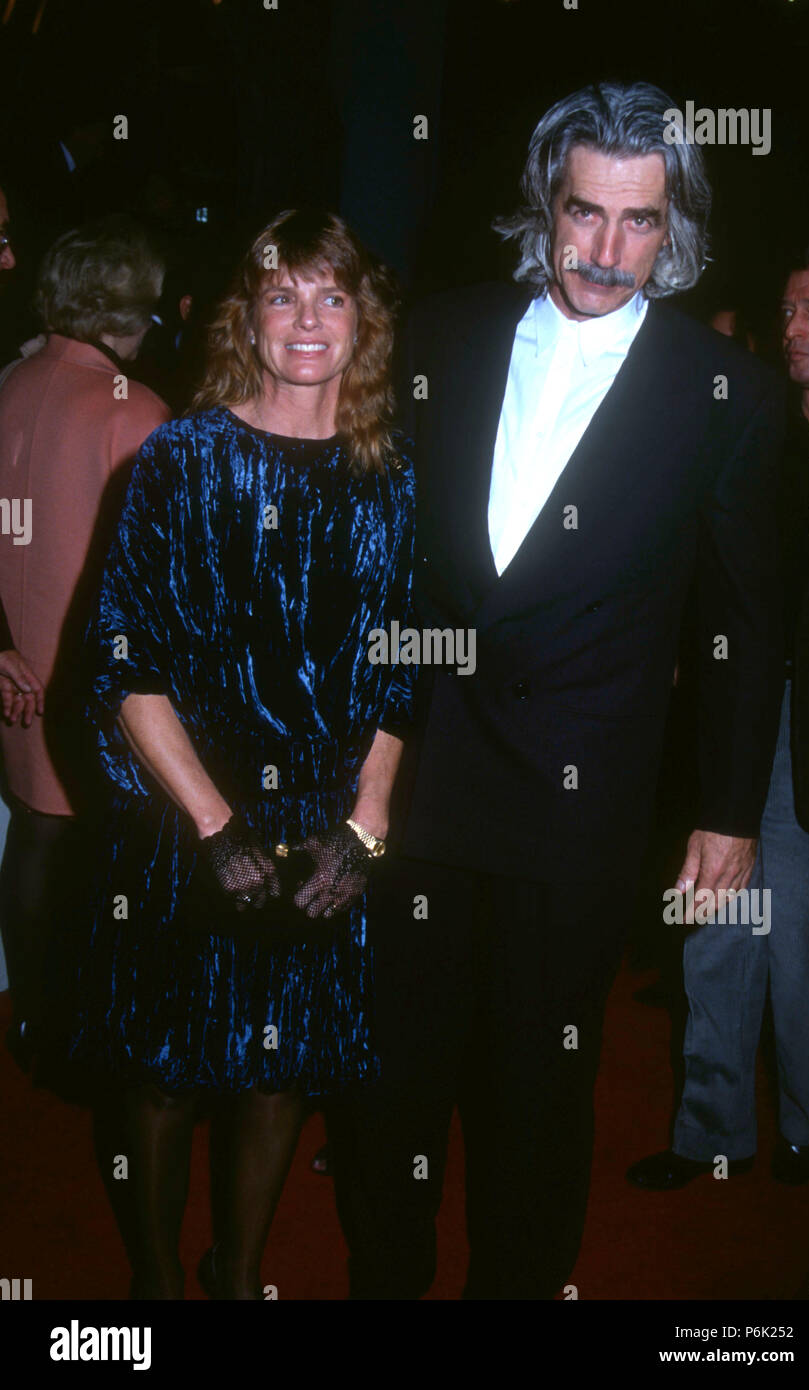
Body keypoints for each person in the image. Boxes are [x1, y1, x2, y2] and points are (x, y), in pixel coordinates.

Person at [327, 80, 786, 1300]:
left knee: (537, 1092)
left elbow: (746, 622)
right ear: (546, 203)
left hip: (578, 803)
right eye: (584, 213)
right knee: (391, 1083)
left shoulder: (725, 393)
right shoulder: (445, 334)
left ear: (674, 223)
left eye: (639, 223)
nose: (604, 250)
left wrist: (730, 813)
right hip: (423, 781)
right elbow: (392, 569)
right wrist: (368, 762)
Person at [64, 209, 415, 1300]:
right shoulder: (182, 461)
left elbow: (405, 665)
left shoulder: (388, 474)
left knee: (278, 1074)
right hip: (188, 819)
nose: (306, 319)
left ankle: (238, 1273)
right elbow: (122, 665)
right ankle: (160, 1289)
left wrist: (366, 825)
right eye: (281, 294)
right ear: (247, 318)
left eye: (331, 295)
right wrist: (212, 828)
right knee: (166, 1078)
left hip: (321, 827)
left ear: (362, 320)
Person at [629, 240, 809, 1192]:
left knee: (803, 940)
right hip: (735, 711)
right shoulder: (759, 426)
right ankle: (711, 1133)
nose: (794, 329)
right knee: (714, 925)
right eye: (789, 311)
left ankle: (807, 1124)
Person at [0, 216, 169, 1070]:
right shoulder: (132, 410)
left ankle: (33, 1020)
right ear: (125, 310)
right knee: (98, 861)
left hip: (19, 659)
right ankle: (81, 1031)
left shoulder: (11, 381)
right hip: (96, 676)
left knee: (34, 833)